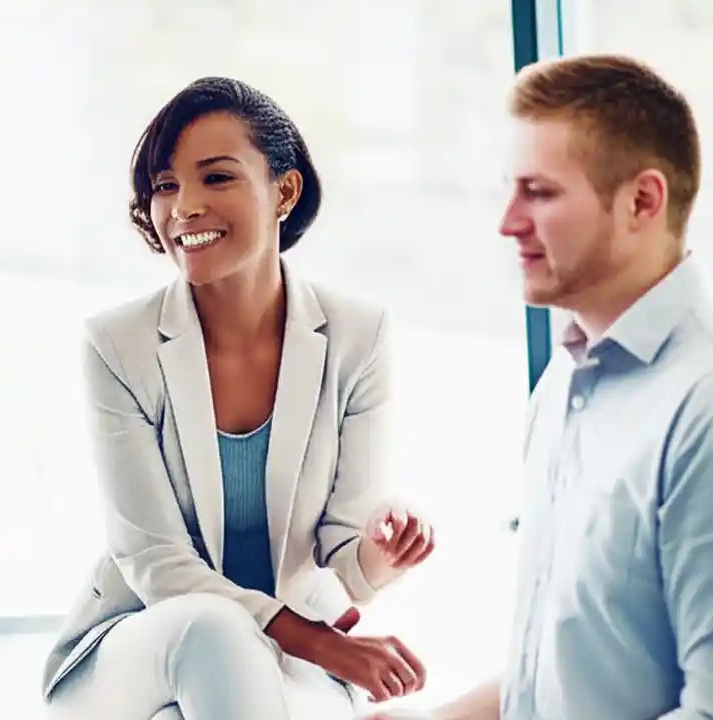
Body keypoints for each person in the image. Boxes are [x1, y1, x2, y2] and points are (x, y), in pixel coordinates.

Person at [42, 76, 437, 720]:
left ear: (285, 190)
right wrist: (327, 648)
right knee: (213, 628)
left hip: (289, 662)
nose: (184, 207)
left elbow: (343, 559)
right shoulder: (117, 344)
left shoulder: (358, 337)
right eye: (166, 185)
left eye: (217, 177)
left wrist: (384, 551)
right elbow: (157, 563)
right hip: (141, 644)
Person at [404, 54, 712, 720]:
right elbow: (566, 669)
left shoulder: (700, 409)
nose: (508, 221)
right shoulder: (566, 378)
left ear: (642, 201)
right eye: (510, 190)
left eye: (539, 193)